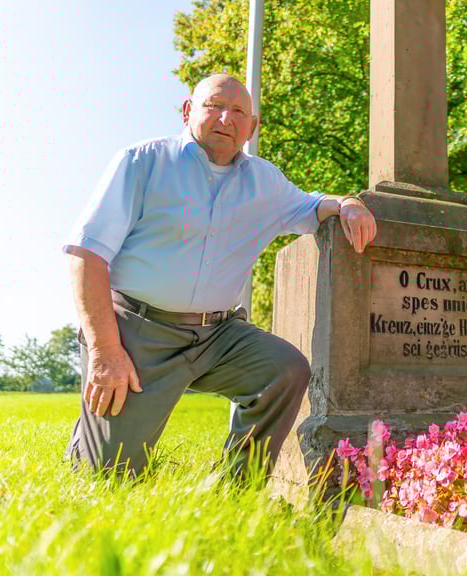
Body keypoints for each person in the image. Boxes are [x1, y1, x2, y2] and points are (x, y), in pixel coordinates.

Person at [62, 74, 377, 478]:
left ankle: (235, 491)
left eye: (239, 112)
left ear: (252, 127)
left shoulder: (265, 182)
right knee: (109, 474)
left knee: (285, 370)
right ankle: (89, 441)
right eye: (214, 106)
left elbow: (313, 206)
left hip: (218, 337)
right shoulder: (142, 162)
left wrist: (349, 203)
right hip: (136, 334)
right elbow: (86, 255)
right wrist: (104, 349)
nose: (226, 119)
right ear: (188, 111)